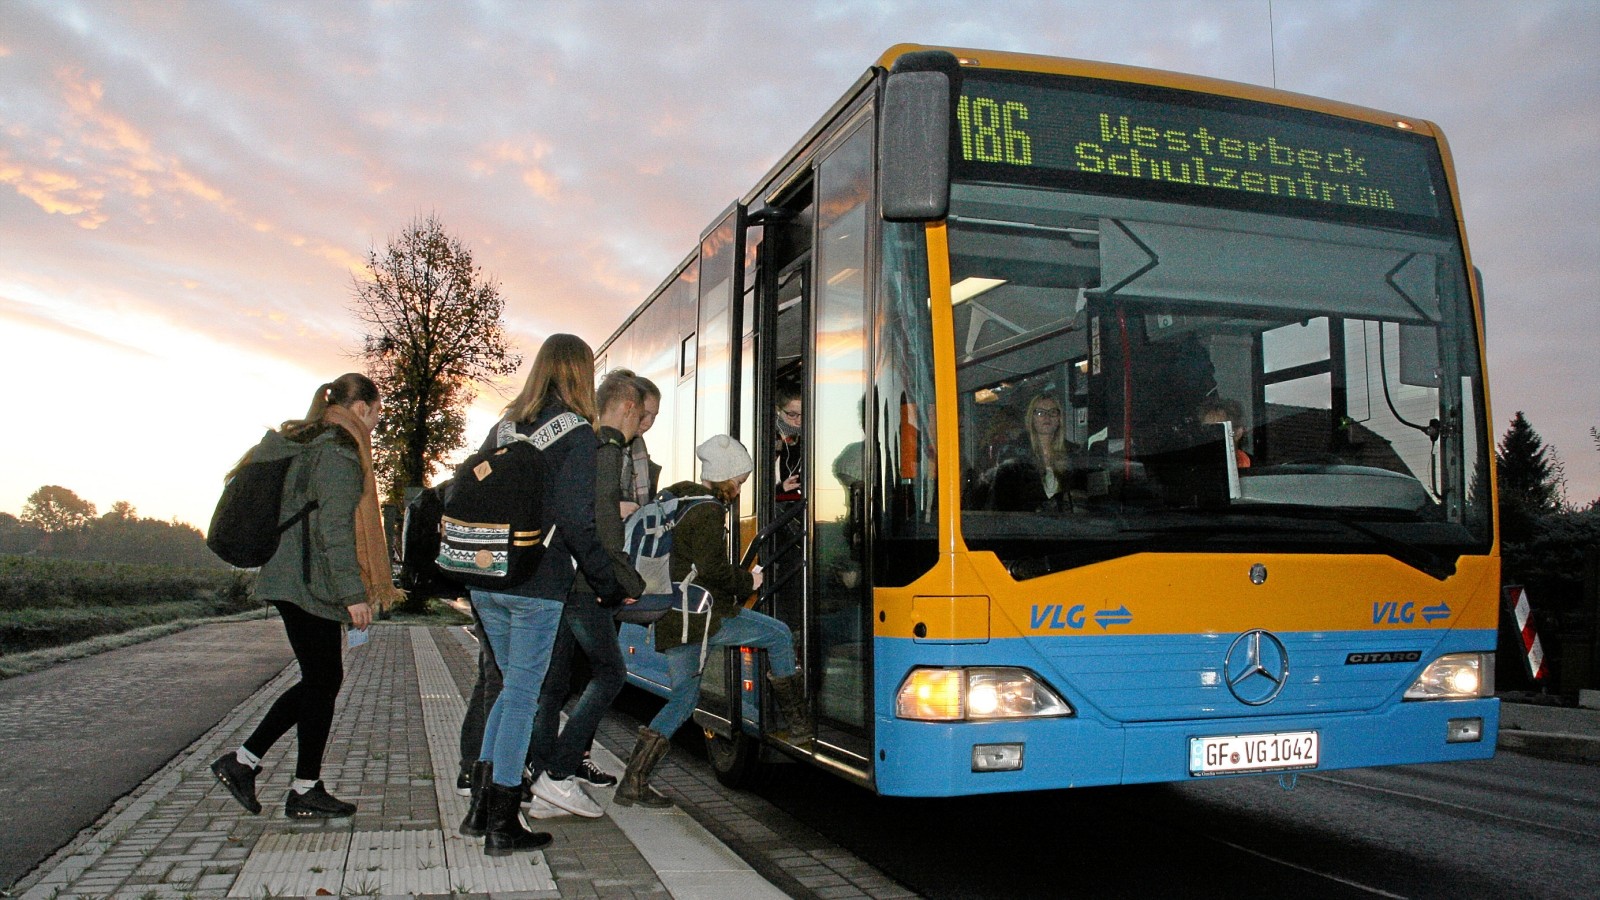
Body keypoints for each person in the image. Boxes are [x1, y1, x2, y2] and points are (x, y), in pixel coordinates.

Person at [459, 334, 635, 856]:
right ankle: (503, 822)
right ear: (580, 373)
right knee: (523, 696)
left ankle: (479, 808)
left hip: (487, 576)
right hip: (537, 582)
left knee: (510, 690)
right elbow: (579, 522)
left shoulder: (503, 425)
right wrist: (607, 582)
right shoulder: (579, 435)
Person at [210, 373, 403, 820]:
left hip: (293, 578)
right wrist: (354, 594)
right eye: (377, 411)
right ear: (360, 409)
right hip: (306, 581)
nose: (377, 421)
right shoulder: (338, 454)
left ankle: (300, 786)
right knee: (322, 681)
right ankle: (246, 764)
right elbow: (333, 531)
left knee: (322, 682)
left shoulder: (311, 442)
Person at [613, 435, 812, 809]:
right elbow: (713, 571)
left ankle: (633, 781)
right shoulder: (707, 512)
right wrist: (747, 581)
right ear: (727, 478)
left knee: (684, 699)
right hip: (705, 618)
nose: (740, 489)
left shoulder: (678, 500)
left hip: (675, 618)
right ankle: (799, 725)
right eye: (740, 480)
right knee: (780, 635)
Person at [525, 370, 648, 817]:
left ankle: (542, 785)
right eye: (644, 416)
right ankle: (556, 773)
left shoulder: (583, 438)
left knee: (552, 686)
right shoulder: (608, 445)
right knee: (610, 673)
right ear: (629, 407)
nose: (643, 428)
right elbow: (601, 523)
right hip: (582, 583)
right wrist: (620, 580)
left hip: (555, 577)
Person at [1199, 397, 1252, 468]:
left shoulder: (1256, 468)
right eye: (1206, 430)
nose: (1211, 436)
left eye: (1217, 430)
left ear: (1237, 433)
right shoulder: (1197, 467)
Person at [774, 382, 803, 501]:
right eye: (792, 415)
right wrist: (781, 489)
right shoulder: (767, 439)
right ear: (778, 410)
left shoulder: (810, 439)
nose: (799, 421)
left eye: (804, 414)